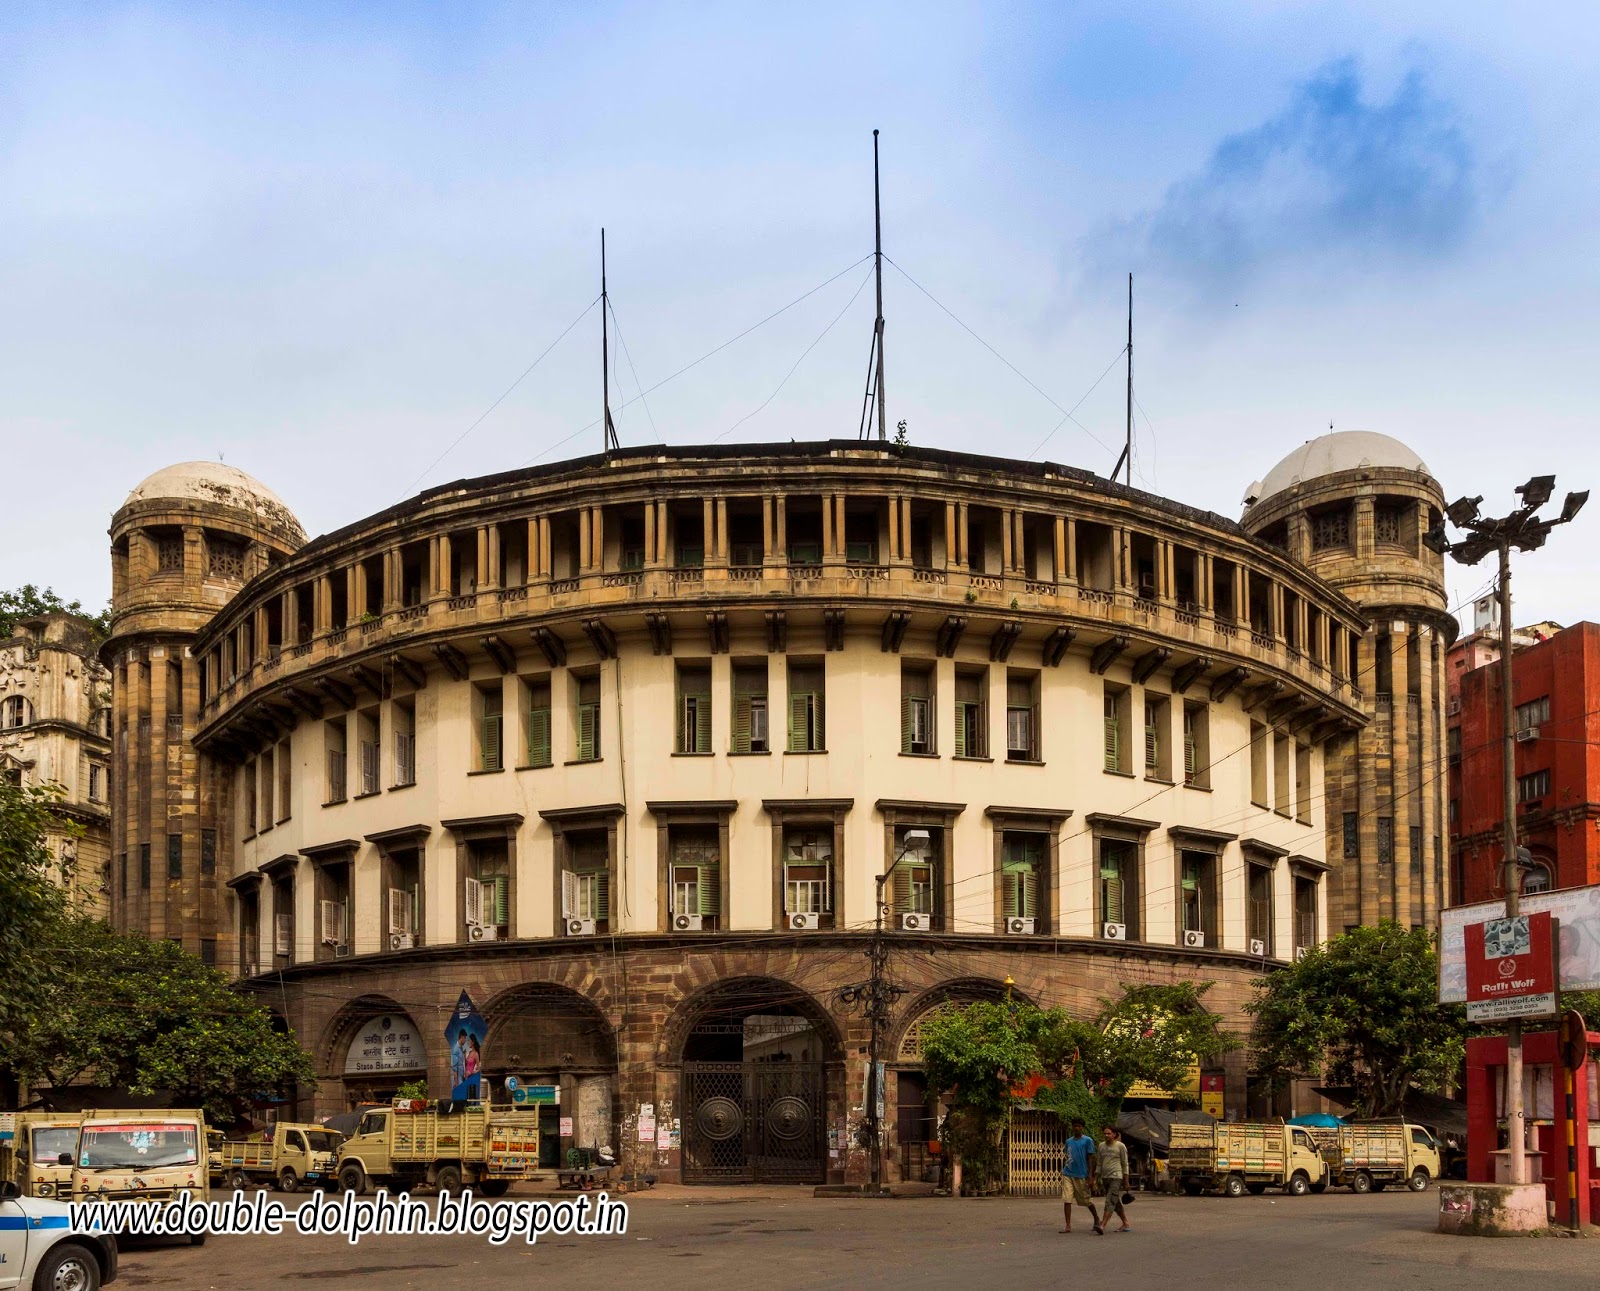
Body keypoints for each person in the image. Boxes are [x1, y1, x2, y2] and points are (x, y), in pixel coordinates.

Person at [1060, 1117, 1102, 1235]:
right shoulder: (1069, 1141)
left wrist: (1090, 1176)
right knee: (1067, 1199)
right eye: (1075, 1126)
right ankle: (1068, 1225)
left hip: (1081, 1174)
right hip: (1068, 1173)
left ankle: (1096, 1218)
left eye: (1079, 1126)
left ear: (1082, 1128)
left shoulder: (1087, 1140)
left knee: (1086, 1200)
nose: (1077, 1128)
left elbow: (1090, 1158)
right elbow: (1068, 1155)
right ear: (1072, 1127)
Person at [1099, 1125, 1132, 1232]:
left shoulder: (1120, 1146)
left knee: (1110, 1201)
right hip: (1105, 1177)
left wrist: (1126, 1181)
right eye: (1105, 1133)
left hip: (1116, 1177)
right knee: (1115, 1201)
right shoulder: (1101, 1146)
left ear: (1114, 1134)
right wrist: (1095, 1178)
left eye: (1108, 1133)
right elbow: (1099, 1163)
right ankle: (1126, 1223)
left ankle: (1102, 1225)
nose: (1106, 1135)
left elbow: (1125, 1164)